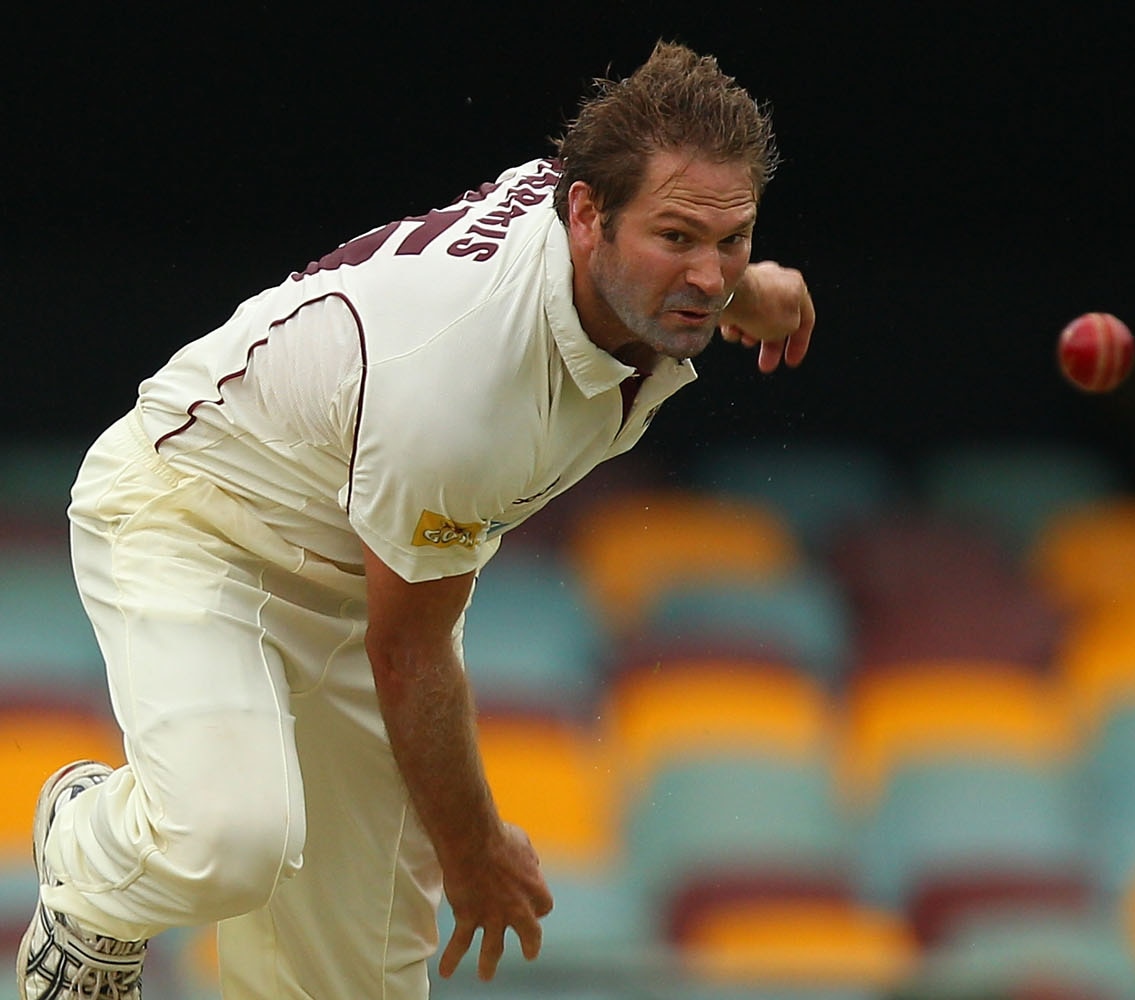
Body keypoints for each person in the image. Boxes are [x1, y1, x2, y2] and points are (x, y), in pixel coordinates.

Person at [18, 40, 814, 1000]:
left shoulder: (615, 228)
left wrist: (746, 284)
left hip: (359, 562)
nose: (704, 272)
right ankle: (86, 841)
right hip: (202, 522)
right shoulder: (465, 384)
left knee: (350, 989)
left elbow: (689, 254)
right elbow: (410, 656)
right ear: (587, 216)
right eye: (677, 239)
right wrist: (473, 851)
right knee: (224, 841)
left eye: (730, 238)